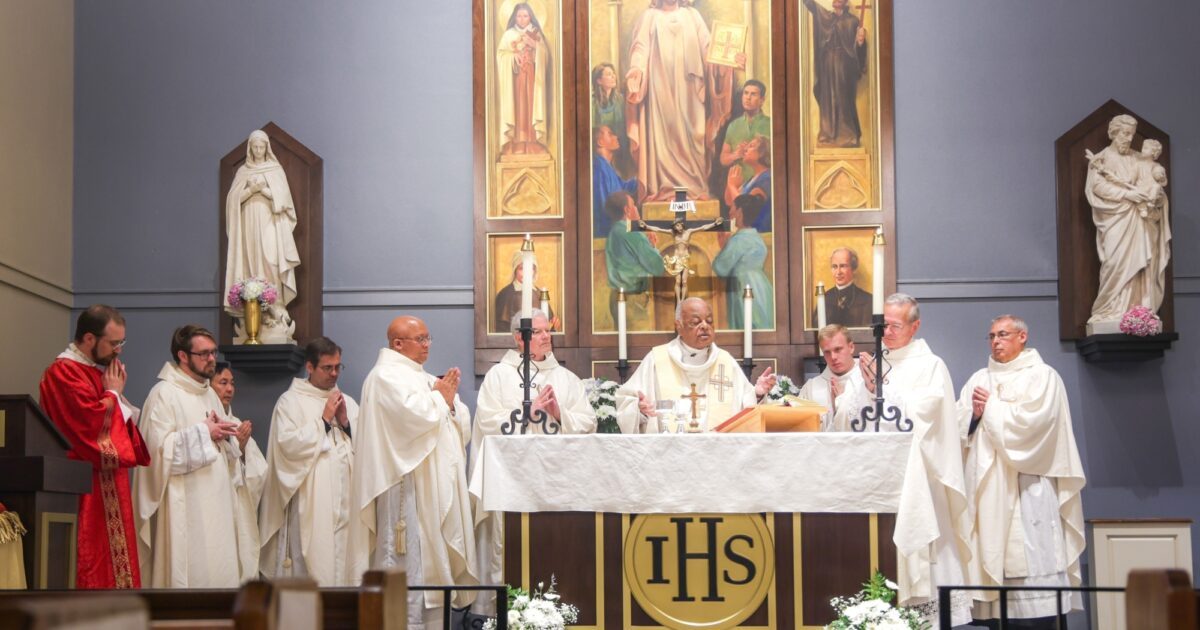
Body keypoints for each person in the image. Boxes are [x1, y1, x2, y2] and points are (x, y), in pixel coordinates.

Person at [833, 294, 971, 626]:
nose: (887, 333)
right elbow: (844, 419)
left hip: (920, 480)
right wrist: (866, 390)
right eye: (883, 326)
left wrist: (881, 389)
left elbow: (926, 416)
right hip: (874, 482)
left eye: (895, 326)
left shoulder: (931, 366)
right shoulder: (870, 364)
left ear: (915, 326)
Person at [957, 316, 1086, 628]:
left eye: (1003, 334)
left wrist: (991, 409)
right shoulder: (979, 378)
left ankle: (1039, 618)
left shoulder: (1043, 377)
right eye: (991, 336)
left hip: (1029, 486)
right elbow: (959, 423)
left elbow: (1036, 426)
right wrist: (973, 417)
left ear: (1022, 336)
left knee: (1032, 562)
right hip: (988, 489)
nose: (996, 342)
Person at [348, 316, 476, 629]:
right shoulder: (385, 377)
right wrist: (439, 398)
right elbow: (411, 418)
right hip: (405, 488)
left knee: (433, 559)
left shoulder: (417, 376)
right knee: (407, 562)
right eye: (419, 339)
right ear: (397, 344)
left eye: (428, 338)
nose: (427, 345)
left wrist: (449, 404)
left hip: (428, 489)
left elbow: (451, 419)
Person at [472, 310, 596, 613]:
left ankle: (561, 609)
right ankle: (505, 613)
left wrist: (557, 414)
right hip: (511, 484)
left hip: (557, 483)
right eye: (538, 332)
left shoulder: (566, 379)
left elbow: (588, 422)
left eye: (547, 331)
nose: (546, 337)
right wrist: (526, 413)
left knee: (556, 544)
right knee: (508, 546)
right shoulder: (499, 377)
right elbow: (487, 423)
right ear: (519, 338)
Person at [134, 325, 266, 587]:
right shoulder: (163, 395)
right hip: (186, 508)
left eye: (213, 353)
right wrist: (203, 433)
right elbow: (155, 453)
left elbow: (221, 448)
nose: (211, 359)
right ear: (183, 356)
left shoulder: (210, 396)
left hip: (218, 505)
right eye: (204, 354)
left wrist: (232, 443)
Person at [38, 305, 150, 588]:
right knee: (92, 563)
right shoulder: (63, 372)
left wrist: (113, 395)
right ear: (89, 338)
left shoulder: (90, 370)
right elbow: (89, 428)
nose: (119, 350)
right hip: (85, 485)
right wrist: (112, 394)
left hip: (106, 483)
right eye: (114, 343)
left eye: (121, 342)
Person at [259, 337, 358, 586]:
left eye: (338, 367)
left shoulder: (348, 402)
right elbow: (287, 447)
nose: (334, 373)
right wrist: (323, 421)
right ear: (310, 367)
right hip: (311, 501)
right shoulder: (290, 402)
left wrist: (346, 424)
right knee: (314, 563)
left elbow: (367, 447)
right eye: (328, 367)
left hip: (347, 500)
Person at [626, 0, 736, 200]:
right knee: (662, 137)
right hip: (660, 91)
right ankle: (664, 189)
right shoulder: (649, 17)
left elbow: (710, 51)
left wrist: (728, 61)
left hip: (691, 92)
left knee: (696, 135)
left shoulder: (693, 16)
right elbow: (640, 49)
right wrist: (636, 71)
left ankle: (694, 189)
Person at [618, 297, 776, 433]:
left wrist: (757, 394)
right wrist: (639, 409)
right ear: (678, 326)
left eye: (709, 321)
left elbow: (745, 411)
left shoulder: (724, 361)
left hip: (718, 452)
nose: (704, 326)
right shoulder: (657, 359)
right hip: (670, 453)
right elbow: (626, 402)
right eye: (695, 322)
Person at [1084, 115, 1172, 329]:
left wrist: (1157, 197)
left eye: (1132, 134)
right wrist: (1127, 196)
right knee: (1114, 262)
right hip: (1117, 218)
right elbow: (1098, 187)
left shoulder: (1139, 159)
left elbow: (1153, 182)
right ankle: (1108, 309)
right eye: (1124, 133)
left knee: (1143, 265)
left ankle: (1139, 313)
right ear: (1113, 133)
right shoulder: (1102, 159)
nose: (1129, 138)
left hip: (1141, 220)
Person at [223, 129, 300, 341]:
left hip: (270, 224)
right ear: (250, 149)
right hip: (248, 224)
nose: (258, 151)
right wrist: (249, 191)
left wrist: (262, 191)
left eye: (262, 147)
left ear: (267, 148)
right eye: (255, 147)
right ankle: (254, 311)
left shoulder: (275, 169)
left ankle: (276, 306)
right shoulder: (242, 172)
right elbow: (232, 203)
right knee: (252, 263)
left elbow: (284, 203)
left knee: (271, 261)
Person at [801, 0, 868, 147]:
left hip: (844, 65)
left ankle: (848, 135)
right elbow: (810, 5)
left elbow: (859, 48)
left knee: (843, 98)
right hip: (826, 64)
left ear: (845, 2)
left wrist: (860, 42)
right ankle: (827, 134)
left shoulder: (852, 21)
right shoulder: (826, 16)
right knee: (827, 98)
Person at [604, 191, 666, 331]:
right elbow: (657, 267)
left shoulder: (614, 232)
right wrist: (653, 246)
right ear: (627, 210)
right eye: (634, 205)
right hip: (632, 301)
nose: (636, 209)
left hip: (616, 297)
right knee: (640, 346)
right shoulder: (631, 231)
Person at [713, 194, 773, 328]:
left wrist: (723, 247)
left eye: (732, 208)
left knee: (747, 324)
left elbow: (720, 268)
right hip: (761, 286)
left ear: (739, 212)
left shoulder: (738, 240)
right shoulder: (756, 237)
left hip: (743, 287)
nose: (729, 212)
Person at [497, 3, 550, 155]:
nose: (522, 19)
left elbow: (545, 56)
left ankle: (533, 143)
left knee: (531, 107)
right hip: (515, 79)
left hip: (533, 80)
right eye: (519, 16)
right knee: (518, 108)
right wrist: (514, 57)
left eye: (525, 16)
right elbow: (501, 55)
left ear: (530, 17)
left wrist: (534, 45)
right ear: (514, 17)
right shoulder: (508, 35)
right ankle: (518, 144)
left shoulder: (536, 32)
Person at [796, 324, 862, 431]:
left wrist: (842, 403)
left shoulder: (866, 381)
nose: (833, 357)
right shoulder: (811, 388)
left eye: (838, 349)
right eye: (827, 352)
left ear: (851, 347)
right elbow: (799, 427)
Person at [720, 81, 772, 184]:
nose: (748, 97)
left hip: (765, 185)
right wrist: (736, 154)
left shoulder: (771, 124)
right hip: (738, 186)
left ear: (762, 100)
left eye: (753, 94)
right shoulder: (733, 125)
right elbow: (723, 159)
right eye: (746, 93)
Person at [493, 250, 558, 333]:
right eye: (522, 268)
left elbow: (548, 321)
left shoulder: (539, 293)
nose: (527, 272)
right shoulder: (505, 294)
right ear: (515, 270)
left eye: (531, 268)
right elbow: (501, 327)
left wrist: (553, 324)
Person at [592, 124, 639, 237]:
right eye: (610, 134)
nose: (616, 137)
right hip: (607, 234)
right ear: (600, 142)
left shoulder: (607, 167)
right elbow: (604, 208)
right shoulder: (599, 168)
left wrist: (643, 179)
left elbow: (624, 187)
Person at [723, 135, 772, 232]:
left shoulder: (767, 178)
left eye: (751, 146)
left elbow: (745, 211)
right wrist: (730, 183)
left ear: (761, 153)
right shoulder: (752, 179)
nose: (745, 149)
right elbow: (729, 201)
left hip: (759, 233)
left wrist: (732, 186)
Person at [815, 247, 873, 327]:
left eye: (843, 266)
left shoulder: (867, 300)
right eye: (834, 266)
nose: (838, 272)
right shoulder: (824, 299)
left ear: (854, 269)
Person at [591, 63, 628, 165]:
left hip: (619, 148)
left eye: (613, 74)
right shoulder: (592, 103)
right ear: (599, 81)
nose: (613, 77)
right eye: (608, 74)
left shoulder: (620, 100)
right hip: (600, 151)